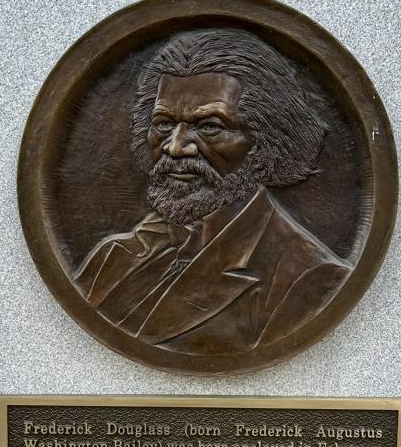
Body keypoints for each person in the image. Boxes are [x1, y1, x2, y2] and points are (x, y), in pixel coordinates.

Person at [74, 27, 351, 355]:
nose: (175, 147)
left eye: (210, 127)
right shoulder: (111, 259)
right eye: (163, 124)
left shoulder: (310, 281)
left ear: (265, 145)